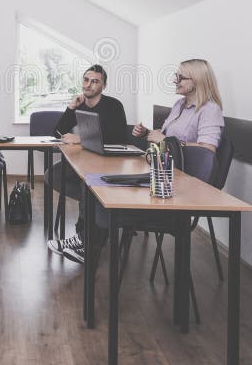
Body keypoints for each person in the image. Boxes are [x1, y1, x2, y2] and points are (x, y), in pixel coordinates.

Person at [46, 64, 128, 263]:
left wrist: (81, 139)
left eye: (95, 81)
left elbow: (119, 137)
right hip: (85, 162)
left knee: (88, 187)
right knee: (53, 175)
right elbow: (56, 133)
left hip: (109, 164)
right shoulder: (80, 104)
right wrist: (70, 108)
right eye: (86, 80)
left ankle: (85, 239)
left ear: (104, 85)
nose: (89, 85)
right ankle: (94, 215)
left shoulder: (114, 105)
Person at [133, 58, 224, 152]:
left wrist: (166, 141)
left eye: (181, 78)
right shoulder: (179, 104)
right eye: (176, 76)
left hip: (187, 166)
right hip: (168, 162)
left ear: (198, 80)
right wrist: (146, 133)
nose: (175, 81)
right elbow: (168, 136)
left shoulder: (210, 109)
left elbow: (208, 149)